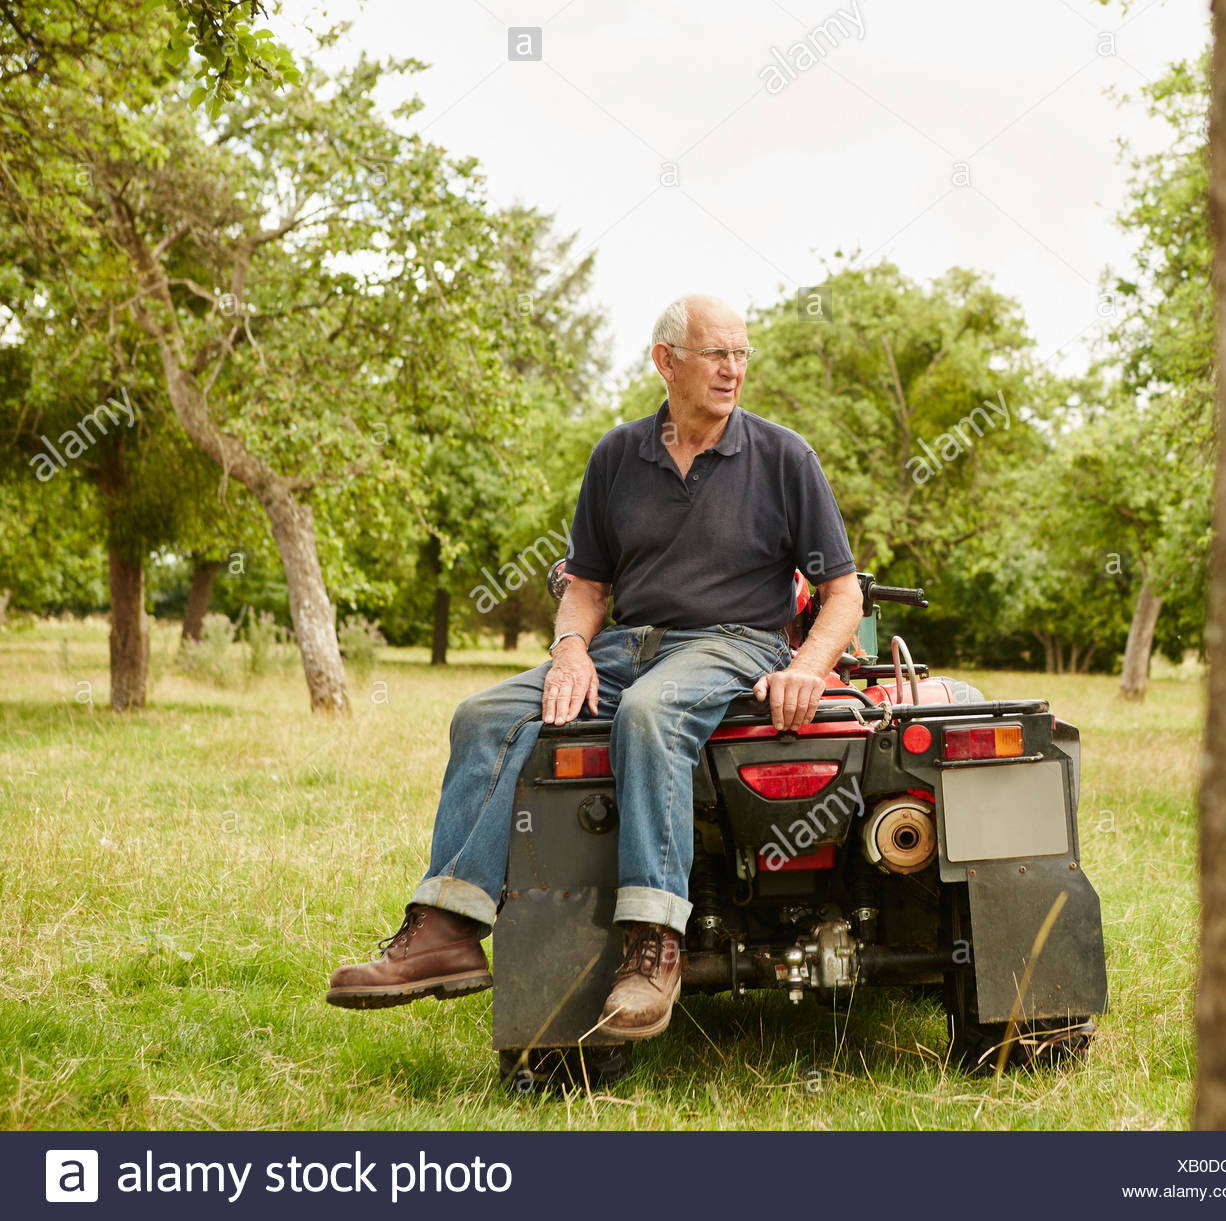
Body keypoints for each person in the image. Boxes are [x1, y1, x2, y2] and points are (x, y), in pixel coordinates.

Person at [326, 293, 863, 1039]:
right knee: (482, 716)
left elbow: (844, 591)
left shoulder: (782, 455)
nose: (733, 369)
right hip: (627, 643)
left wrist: (807, 664)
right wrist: (570, 648)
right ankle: (447, 926)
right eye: (717, 354)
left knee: (650, 713)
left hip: (735, 641)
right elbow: (586, 585)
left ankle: (654, 946)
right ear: (666, 360)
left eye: (741, 354)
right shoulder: (618, 454)